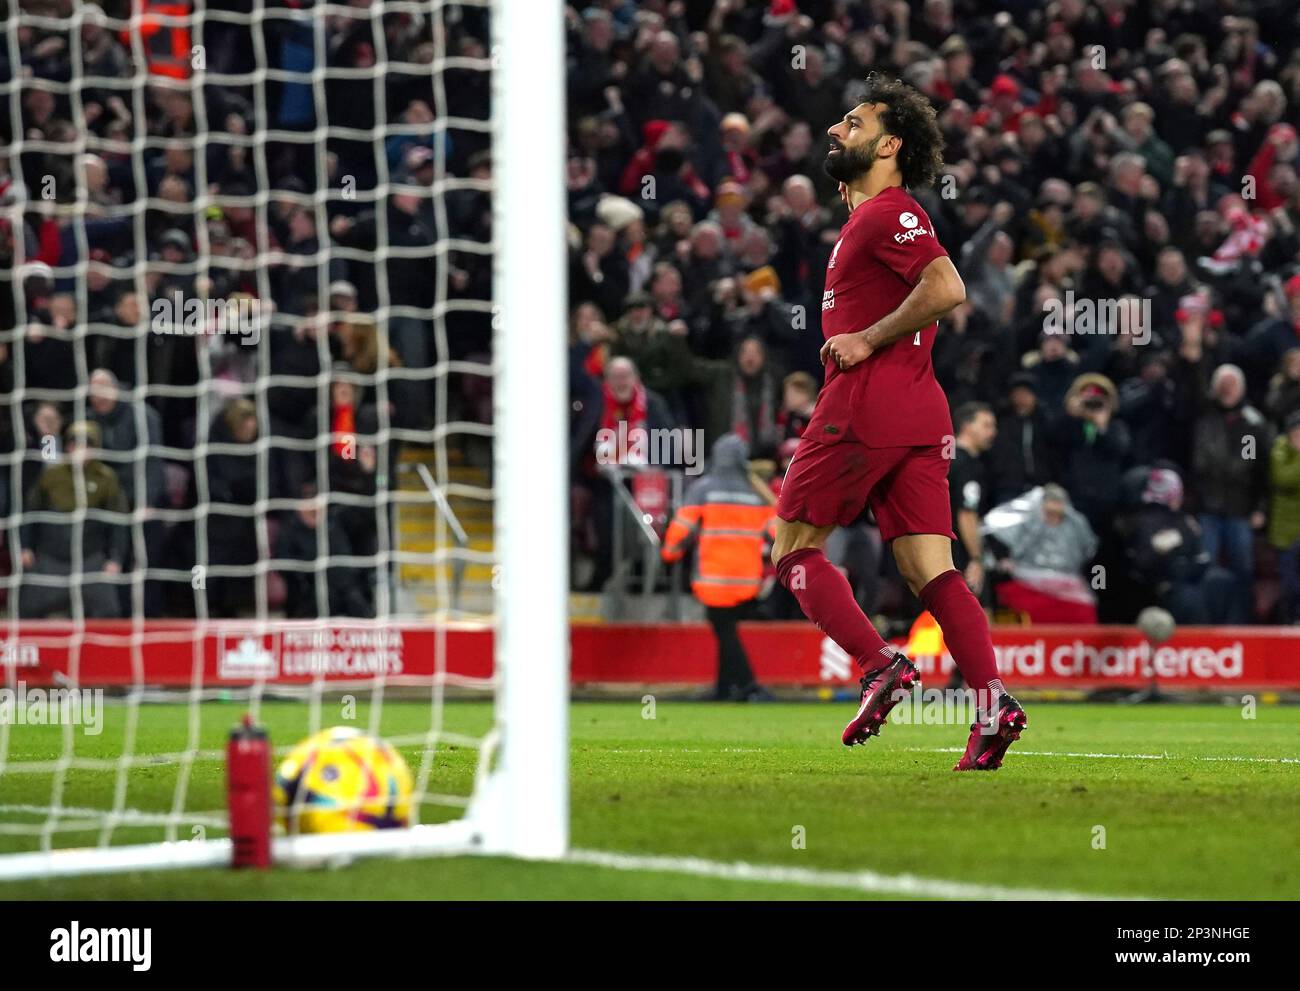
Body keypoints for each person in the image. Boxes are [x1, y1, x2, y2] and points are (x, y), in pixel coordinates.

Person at [769, 76, 1025, 771]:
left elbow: (948, 288)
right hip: (920, 411)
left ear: (888, 144)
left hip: (866, 403)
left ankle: (878, 663)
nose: (833, 131)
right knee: (929, 568)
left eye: (851, 123)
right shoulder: (867, 218)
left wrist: (866, 338)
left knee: (791, 548)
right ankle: (992, 699)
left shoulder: (889, 212)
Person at [661, 434, 774, 702]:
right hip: (747, 579)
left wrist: (669, 553)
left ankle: (748, 685)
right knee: (727, 629)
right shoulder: (756, 493)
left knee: (723, 631)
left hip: (714, 578)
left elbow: (682, 528)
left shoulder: (703, 489)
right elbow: (776, 533)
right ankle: (725, 689)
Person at [16, 421, 127, 618]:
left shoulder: (107, 478)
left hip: (90, 558)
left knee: (110, 611)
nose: (80, 450)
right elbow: (30, 512)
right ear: (67, 446)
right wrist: (25, 546)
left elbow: (118, 521)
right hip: (50, 557)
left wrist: (115, 558)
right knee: (28, 610)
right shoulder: (50, 475)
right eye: (75, 444)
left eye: (87, 445)